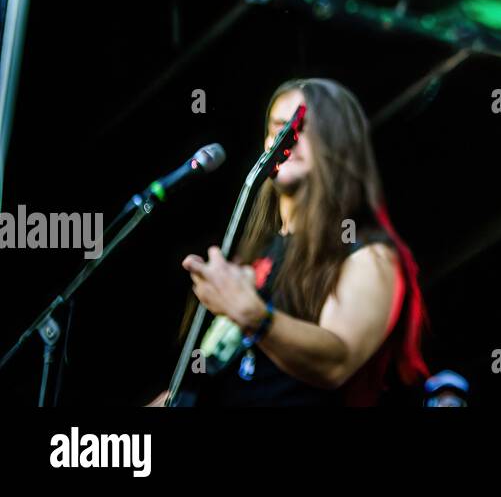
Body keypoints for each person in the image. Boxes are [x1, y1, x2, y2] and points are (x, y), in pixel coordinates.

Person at [149, 78, 429, 406]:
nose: (285, 139)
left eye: (299, 128)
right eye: (277, 128)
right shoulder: (256, 253)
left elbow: (336, 363)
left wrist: (253, 315)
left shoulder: (368, 253)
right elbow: (205, 374)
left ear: (337, 142)